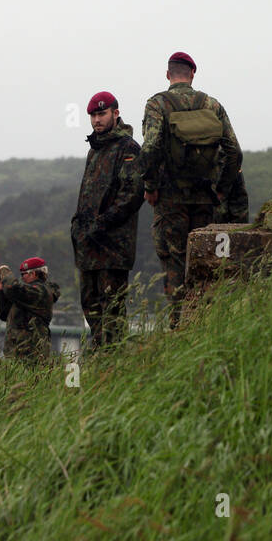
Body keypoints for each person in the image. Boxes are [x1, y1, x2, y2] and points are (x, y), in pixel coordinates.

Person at [140, 52, 242, 327]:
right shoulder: (212, 104)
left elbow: (149, 148)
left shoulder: (157, 104)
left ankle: (179, 328)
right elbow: (234, 152)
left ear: (168, 74)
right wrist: (220, 190)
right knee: (205, 265)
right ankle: (207, 324)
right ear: (193, 73)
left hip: (169, 200)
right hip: (205, 200)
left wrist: (150, 187)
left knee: (174, 267)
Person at [71, 91, 145, 348]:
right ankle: (101, 362)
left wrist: (102, 224)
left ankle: (114, 363)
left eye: (101, 114)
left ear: (116, 113)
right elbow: (88, 195)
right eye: (92, 115)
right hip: (89, 247)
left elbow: (132, 194)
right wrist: (78, 226)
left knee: (111, 313)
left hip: (113, 247)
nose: (96, 120)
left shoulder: (128, 148)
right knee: (91, 310)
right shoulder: (95, 151)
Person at [0, 257, 60, 364]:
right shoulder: (26, 295)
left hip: (32, 354)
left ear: (33, 274)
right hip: (16, 353)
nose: (22, 278)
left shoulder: (41, 292)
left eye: (23, 274)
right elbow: (3, 314)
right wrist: (1, 290)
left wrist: (4, 271)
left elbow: (13, 287)